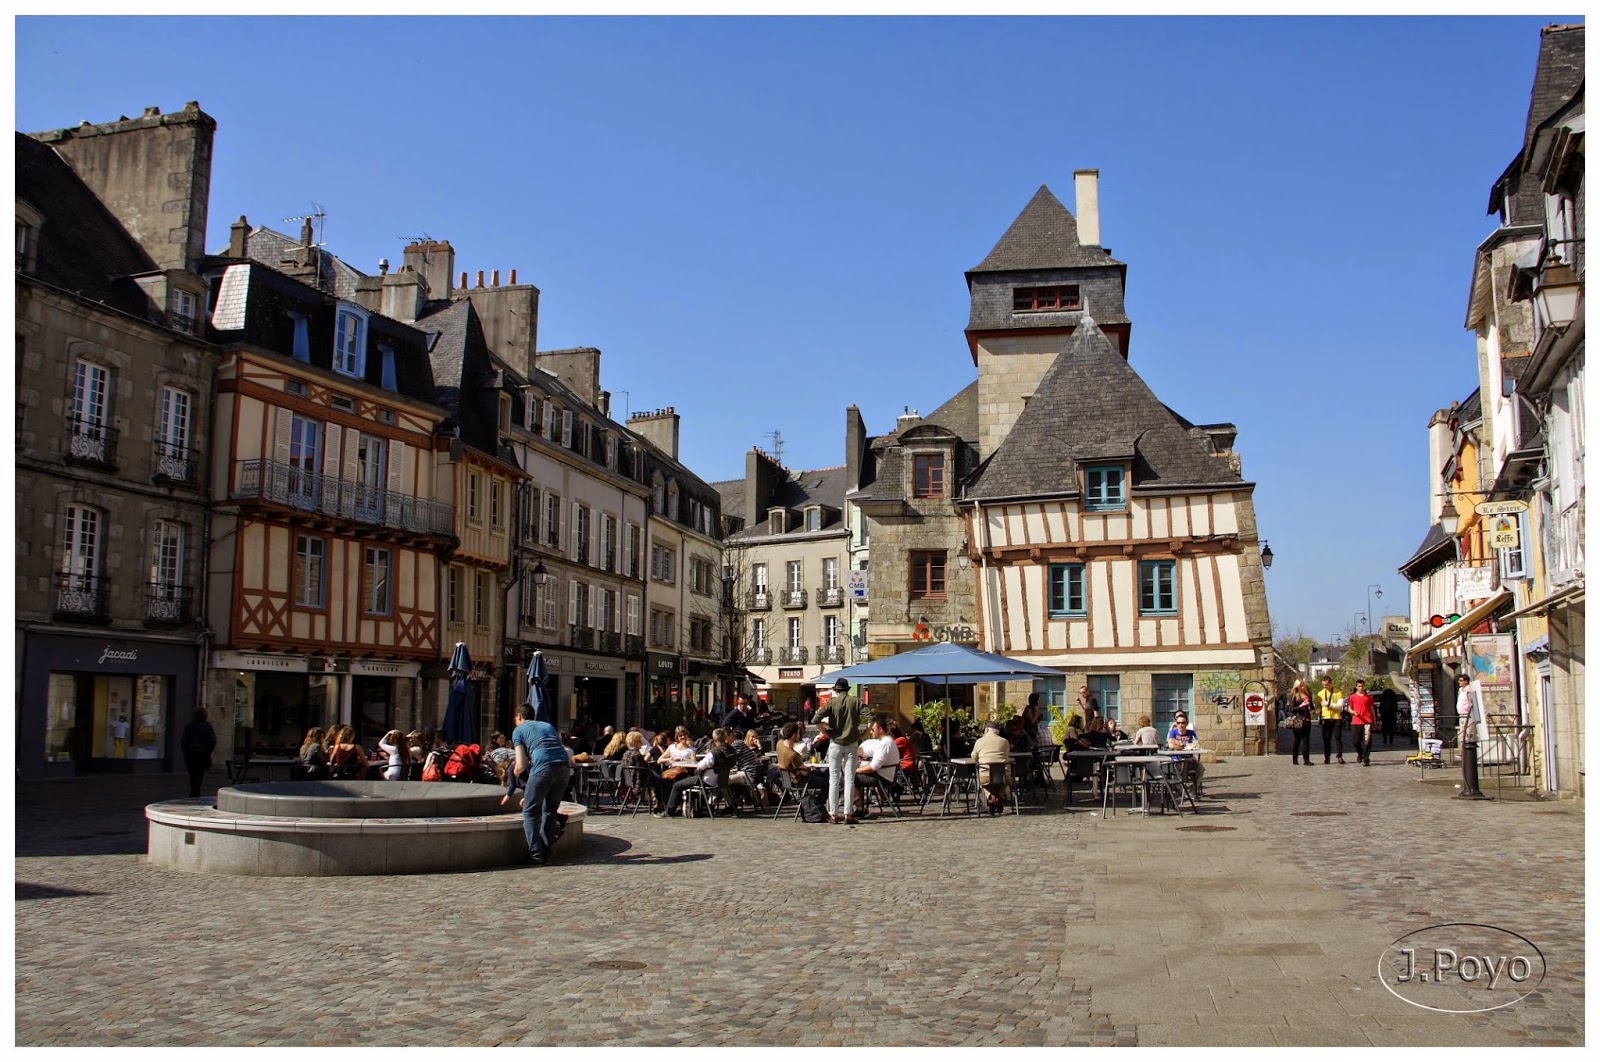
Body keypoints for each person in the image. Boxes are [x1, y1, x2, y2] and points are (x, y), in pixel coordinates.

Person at [504, 702, 571, 866]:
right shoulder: (548, 726)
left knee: (530, 813)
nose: (515, 721)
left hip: (543, 767)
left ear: (520, 716)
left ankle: (535, 856)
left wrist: (514, 775)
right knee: (550, 811)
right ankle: (546, 853)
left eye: (515, 718)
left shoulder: (518, 731)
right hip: (563, 767)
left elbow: (519, 764)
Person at [814, 677, 866, 825]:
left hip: (835, 743)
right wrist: (865, 733)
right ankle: (848, 814)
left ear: (836, 690)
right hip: (851, 743)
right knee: (849, 778)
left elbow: (815, 719)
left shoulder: (832, 703)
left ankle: (833, 814)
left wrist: (825, 732)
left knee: (834, 779)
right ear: (847, 689)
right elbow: (871, 716)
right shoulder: (856, 701)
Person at [854, 716, 900, 814]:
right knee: (852, 776)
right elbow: (865, 752)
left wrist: (855, 771)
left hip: (883, 777)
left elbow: (873, 767)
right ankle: (859, 806)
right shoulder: (882, 741)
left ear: (880, 729)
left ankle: (859, 809)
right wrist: (850, 749)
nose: (871, 732)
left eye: (872, 729)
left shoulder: (885, 744)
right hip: (882, 774)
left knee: (851, 778)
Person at [971, 721, 1012, 815]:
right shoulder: (1005, 742)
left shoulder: (979, 741)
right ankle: (999, 797)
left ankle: (991, 796)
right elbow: (1007, 755)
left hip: (986, 774)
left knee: (984, 782)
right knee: (1006, 780)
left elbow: (974, 757)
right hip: (1003, 775)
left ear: (986, 730)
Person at [179, 707, 217, 798]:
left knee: (192, 774)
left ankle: (194, 791)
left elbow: (184, 741)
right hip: (203, 754)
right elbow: (212, 740)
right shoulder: (207, 726)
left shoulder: (190, 726)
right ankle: (196, 791)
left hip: (191, 754)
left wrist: (186, 751)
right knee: (200, 774)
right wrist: (208, 751)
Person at [767, 721, 810, 794]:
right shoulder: (793, 754)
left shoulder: (779, 744)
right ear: (793, 735)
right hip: (797, 780)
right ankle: (816, 803)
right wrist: (810, 768)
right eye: (798, 733)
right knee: (824, 779)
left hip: (786, 778)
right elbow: (805, 773)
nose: (799, 736)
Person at [1316, 677, 1345, 764]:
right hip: (1326, 717)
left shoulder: (1338, 692)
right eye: (1323, 685)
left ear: (1331, 683)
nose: (1325, 686)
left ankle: (1339, 756)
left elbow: (1340, 706)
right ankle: (1327, 757)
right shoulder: (1320, 693)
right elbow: (1318, 706)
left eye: (1326, 684)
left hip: (1336, 717)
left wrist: (1328, 704)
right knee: (1326, 738)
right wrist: (1318, 710)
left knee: (1338, 737)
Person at [1346, 680, 1376, 766]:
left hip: (1367, 721)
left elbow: (1372, 709)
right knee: (1356, 741)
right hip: (1356, 721)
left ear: (1364, 686)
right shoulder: (1352, 697)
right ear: (1356, 687)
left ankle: (1366, 758)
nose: (1360, 688)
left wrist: (1374, 721)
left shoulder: (1368, 697)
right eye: (1359, 686)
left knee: (1367, 741)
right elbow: (1349, 708)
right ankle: (1360, 753)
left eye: (1362, 686)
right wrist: (1354, 713)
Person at [1286, 680, 1315, 766]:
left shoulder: (1308, 695)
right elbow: (1291, 709)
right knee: (1297, 739)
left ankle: (1306, 760)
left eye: (1303, 685)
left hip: (1307, 720)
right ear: (1297, 687)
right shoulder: (1294, 696)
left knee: (1306, 740)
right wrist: (1301, 706)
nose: (1302, 687)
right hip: (1298, 720)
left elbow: (1312, 706)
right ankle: (1295, 759)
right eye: (1300, 686)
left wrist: (1313, 710)